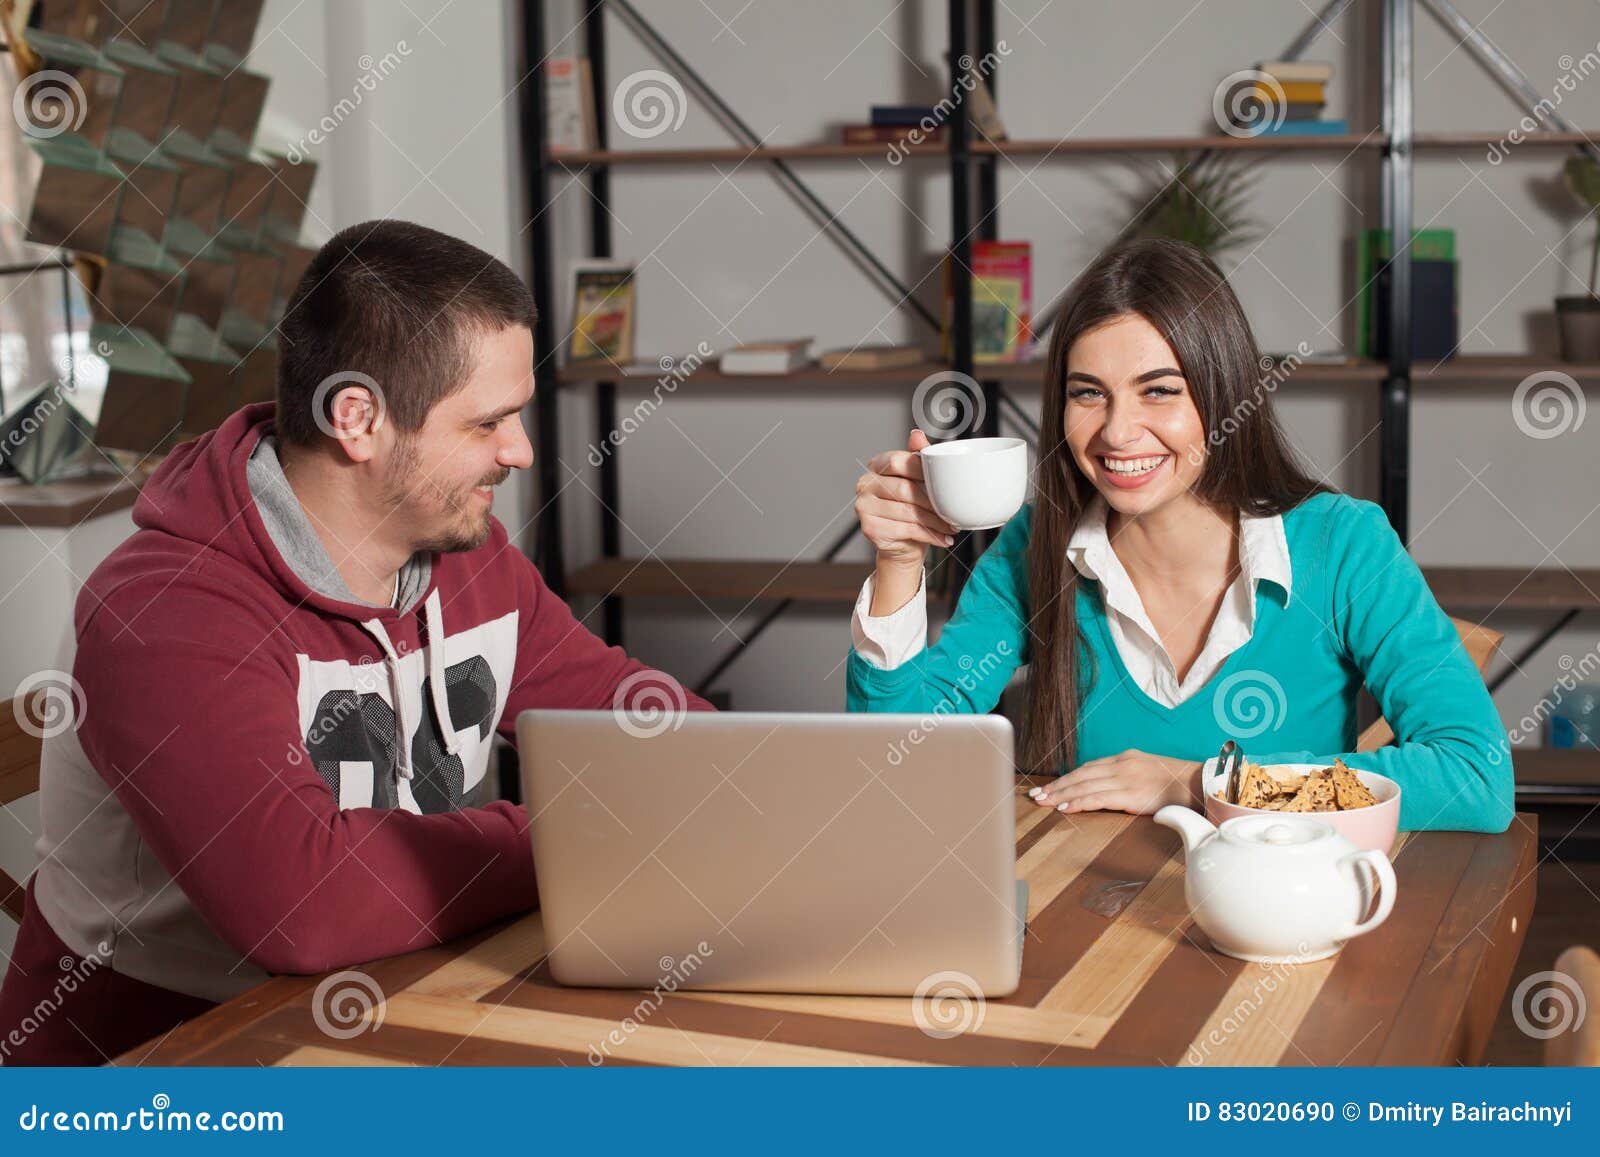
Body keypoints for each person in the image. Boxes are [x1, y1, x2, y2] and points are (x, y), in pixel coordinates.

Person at [0, 220, 712, 1065]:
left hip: (394, 1014)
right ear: (358, 419)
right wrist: (575, 834)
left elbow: (658, 739)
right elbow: (301, 904)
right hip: (163, 1066)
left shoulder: (472, 560)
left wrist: (723, 782)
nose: (520, 452)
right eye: (490, 422)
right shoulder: (160, 608)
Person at [846, 236, 1512, 833]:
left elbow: (1474, 776)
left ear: (1222, 395)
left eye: (1159, 390)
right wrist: (901, 563)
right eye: (1088, 393)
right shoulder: (1036, 545)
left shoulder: (1344, 547)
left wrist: (1197, 782)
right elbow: (900, 767)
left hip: (1284, 928)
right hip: (1097, 931)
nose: (1117, 431)